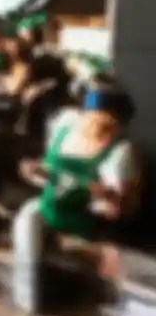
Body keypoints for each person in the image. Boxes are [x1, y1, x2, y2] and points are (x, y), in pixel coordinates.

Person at [29, 87, 140, 277]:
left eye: (107, 125)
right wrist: (36, 172)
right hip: (49, 218)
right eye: (91, 118)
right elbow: (45, 172)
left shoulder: (121, 153)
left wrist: (107, 198)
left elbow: (122, 209)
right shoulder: (64, 132)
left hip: (86, 233)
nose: (96, 127)